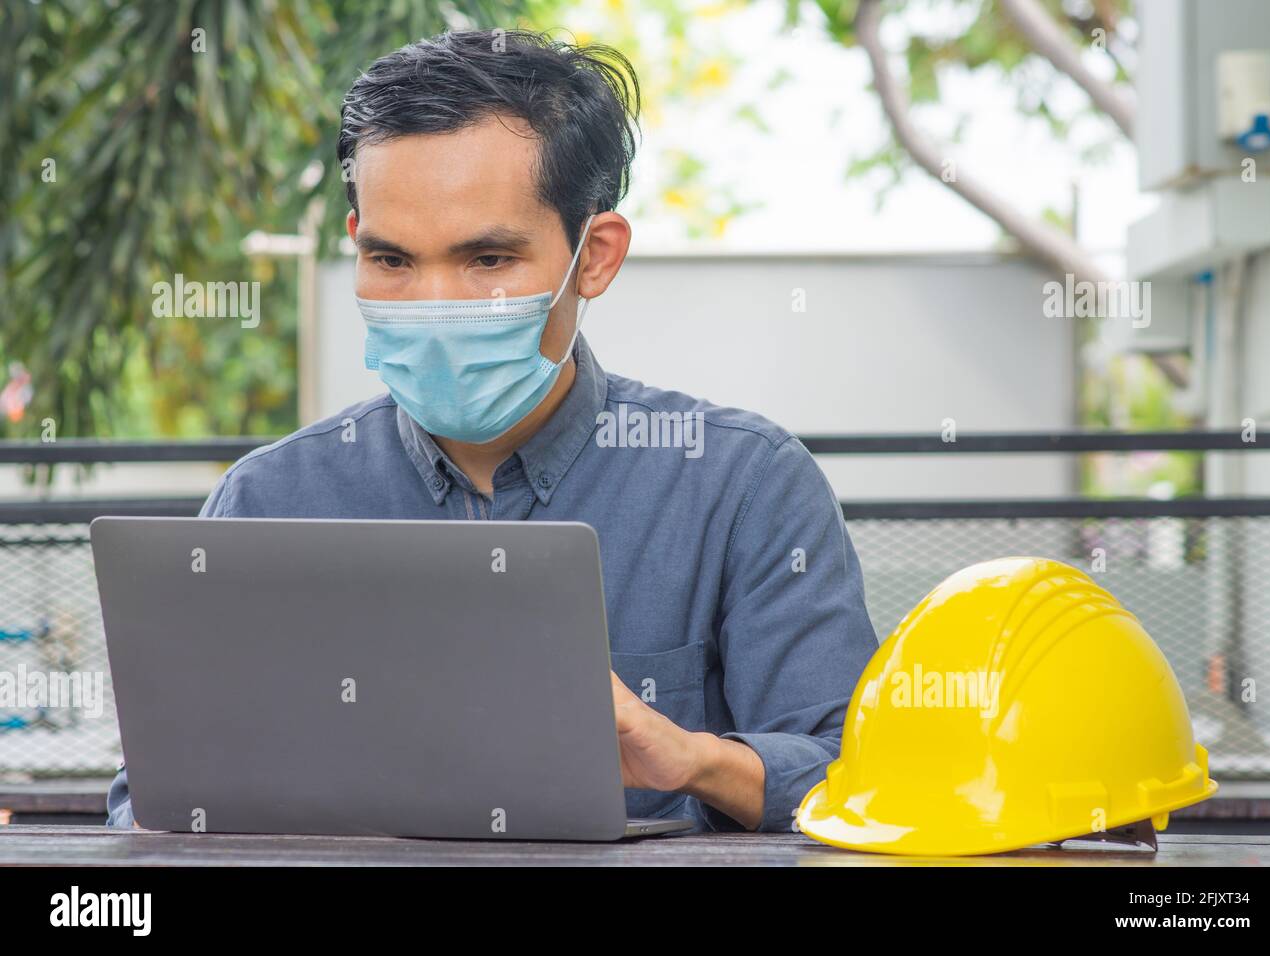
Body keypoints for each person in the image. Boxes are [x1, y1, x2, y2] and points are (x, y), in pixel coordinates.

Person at [107, 28, 877, 833]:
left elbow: (854, 779)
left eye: (487, 259)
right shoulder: (268, 501)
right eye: (394, 260)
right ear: (356, 247)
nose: (434, 306)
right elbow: (153, 805)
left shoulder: (742, 487)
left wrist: (693, 759)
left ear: (595, 257)